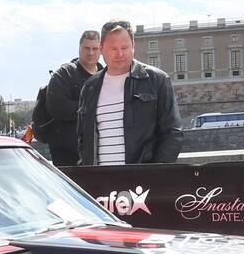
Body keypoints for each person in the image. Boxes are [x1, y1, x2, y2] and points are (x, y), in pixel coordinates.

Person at [76, 19, 183, 165]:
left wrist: (156, 174)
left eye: (125, 47)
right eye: (113, 49)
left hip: (142, 182)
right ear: (101, 48)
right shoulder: (89, 87)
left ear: (133, 46)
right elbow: (83, 139)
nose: (119, 54)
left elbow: (173, 133)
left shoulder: (157, 80)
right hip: (98, 181)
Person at [43, 30, 103, 165]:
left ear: (101, 50)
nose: (91, 53)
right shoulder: (65, 74)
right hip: (67, 154)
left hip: (98, 152)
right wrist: (92, 108)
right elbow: (56, 107)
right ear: (79, 49)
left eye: (95, 49)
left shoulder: (106, 77)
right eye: (86, 48)